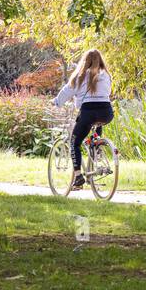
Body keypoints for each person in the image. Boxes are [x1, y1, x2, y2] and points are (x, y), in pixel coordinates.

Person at [51, 49, 114, 189]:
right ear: (101, 60)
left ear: (85, 61)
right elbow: (108, 92)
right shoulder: (106, 75)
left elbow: (67, 91)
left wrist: (56, 102)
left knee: (75, 142)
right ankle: (96, 147)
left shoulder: (79, 76)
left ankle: (78, 177)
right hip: (106, 112)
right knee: (97, 122)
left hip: (88, 112)